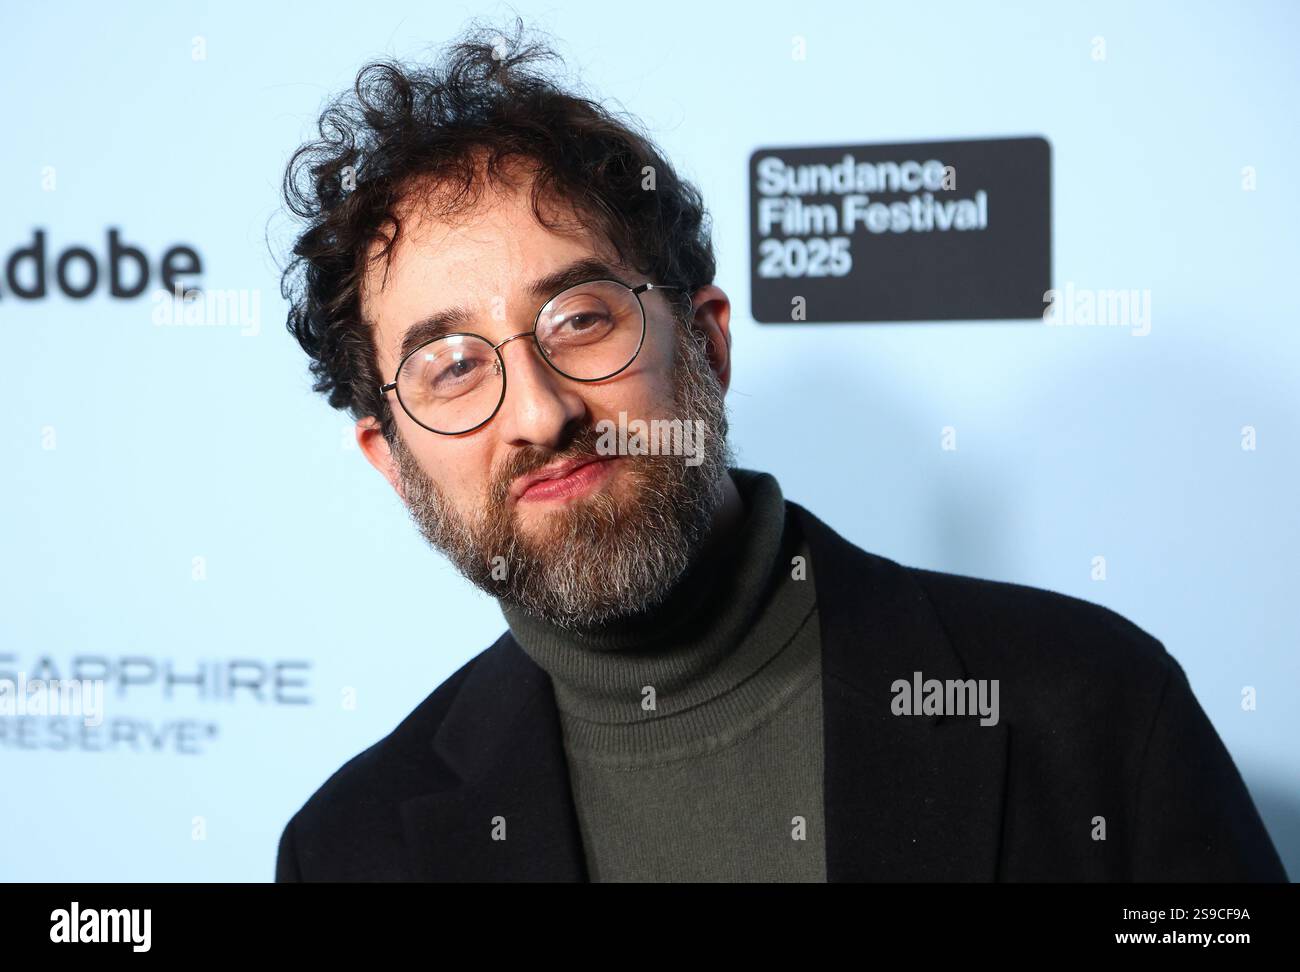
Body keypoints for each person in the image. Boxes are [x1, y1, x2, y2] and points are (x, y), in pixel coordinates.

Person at [273, 22, 1287, 882]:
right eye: (451, 366)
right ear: (391, 459)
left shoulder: (1093, 706)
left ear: (706, 342)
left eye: (580, 320)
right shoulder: (352, 849)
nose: (538, 412)